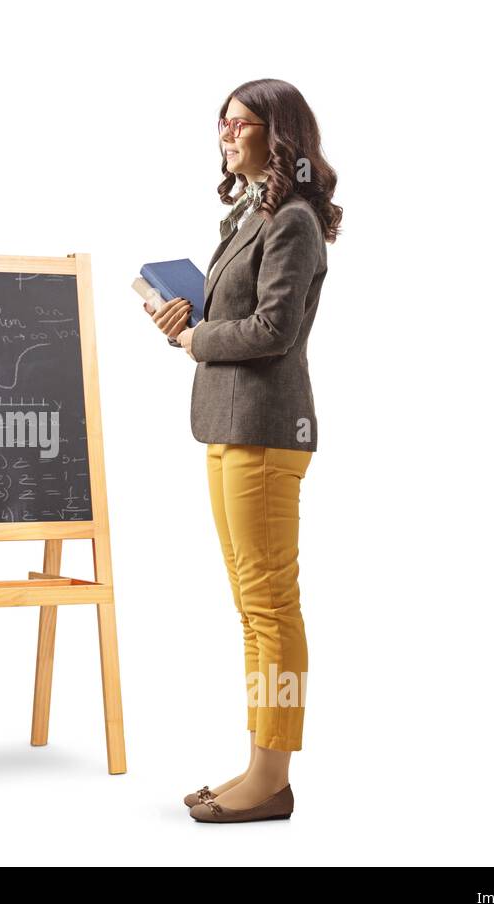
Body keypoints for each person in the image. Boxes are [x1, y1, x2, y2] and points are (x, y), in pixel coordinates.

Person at [146, 80, 341, 823]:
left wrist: (200, 337)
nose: (226, 133)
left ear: (278, 134)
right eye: (221, 122)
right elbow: (237, 317)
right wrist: (186, 319)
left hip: (265, 428)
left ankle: (273, 774)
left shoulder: (293, 220)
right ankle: (259, 763)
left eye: (240, 122)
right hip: (228, 424)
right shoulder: (252, 216)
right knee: (252, 611)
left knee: (271, 608)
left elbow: (272, 332)